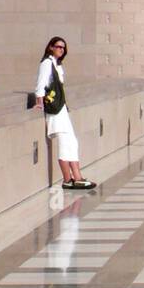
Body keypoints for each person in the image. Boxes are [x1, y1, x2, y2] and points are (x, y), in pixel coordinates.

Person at [34, 36, 96, 190]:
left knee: (72, 142)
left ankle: (77, 177)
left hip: (61, 109)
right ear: (51, 47)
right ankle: (68, 179)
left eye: (63, 48)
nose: (61, 50)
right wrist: (39, 103)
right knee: (64, 142)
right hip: (55, 111)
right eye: (58, 47)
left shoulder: (57, 65)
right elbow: (40, 85)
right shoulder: (47, 63)